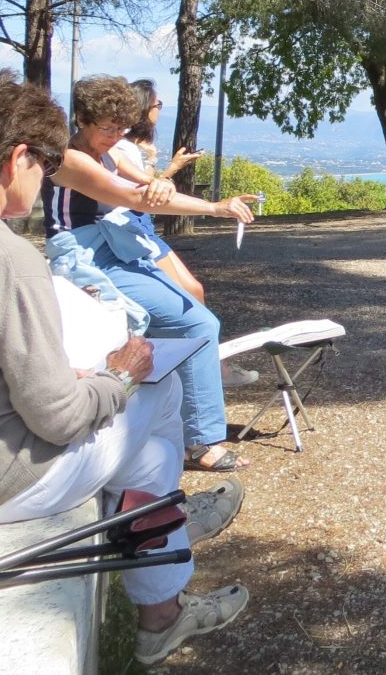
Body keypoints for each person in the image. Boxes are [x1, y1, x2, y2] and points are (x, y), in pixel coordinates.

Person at [0, 71, 248, 665]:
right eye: (43, 164)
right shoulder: (1, 255)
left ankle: (159, 531)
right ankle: (162, 608)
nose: (44, 178)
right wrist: (122, 374)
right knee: (156, 399)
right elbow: (59, 418)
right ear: (16, 159)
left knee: (123, 409)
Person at [45, 75, 257, 473]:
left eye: (121, 128)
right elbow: (128, 196)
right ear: (82, 120)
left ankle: (180, 432)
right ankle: (198, 441)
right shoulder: (70, 158)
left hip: (115, 246)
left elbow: (148, 186)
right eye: (106, 128)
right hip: (83, 257)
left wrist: (165, 186)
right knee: (191, 326)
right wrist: (214, 208)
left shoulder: (110, 151)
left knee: (196, 321)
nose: (114, 137)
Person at [113, 80, 256, 389]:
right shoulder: (125, 149)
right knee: (187, 298)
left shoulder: (136, 147)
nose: (160, 110)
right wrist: (213, 206)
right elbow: (143, 195)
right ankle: (209, 369)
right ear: (143, 109)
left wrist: (171, 168)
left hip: (143, 229)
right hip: (135, 233)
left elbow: (146, 190)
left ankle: (214, 365)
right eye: (157, 105)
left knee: (194, 289)